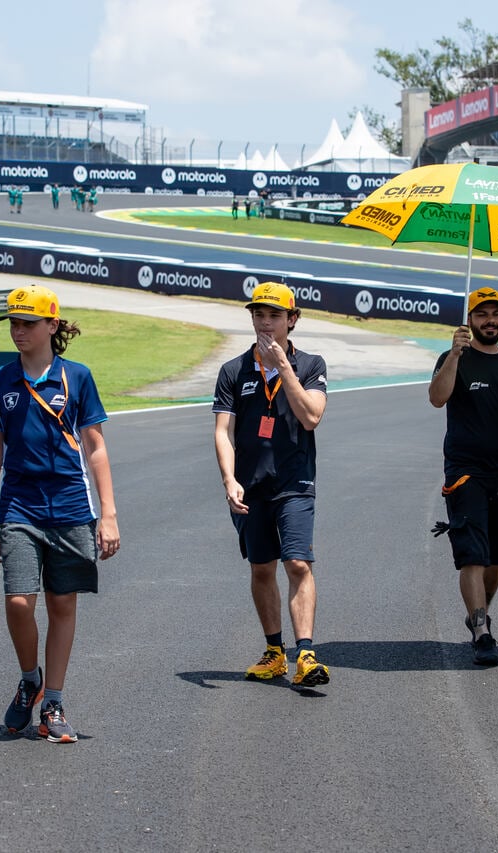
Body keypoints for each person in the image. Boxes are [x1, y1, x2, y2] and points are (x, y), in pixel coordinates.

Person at [0, 284, 120, 743]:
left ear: (51, 326)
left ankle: (53, 701)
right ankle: (29, 678)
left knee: (62, 603)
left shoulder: (77, 377)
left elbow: (96, 448)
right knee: (19, 601)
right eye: (13, 323)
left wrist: (109, 514)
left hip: (73, 507)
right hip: (19, 506)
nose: (18, 331)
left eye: (27, 323)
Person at [213, 281, 331, 688]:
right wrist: (229, 479)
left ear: (292, 320)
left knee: (297, 562)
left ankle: (307, 654)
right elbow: (222, 432)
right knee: (261, 568)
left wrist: (284, 367)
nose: (265, 322)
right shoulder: (233, 370)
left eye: (275, 316)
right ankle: (274, 652)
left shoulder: (311, 364)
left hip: (295, 481)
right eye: (259, 314)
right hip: (251, 486)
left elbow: (311, 417)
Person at [427, 287, 498, 666]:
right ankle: (481, 630)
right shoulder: (453, 357)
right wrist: (456, 355)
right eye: (482, 314)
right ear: (470, 319)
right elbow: (437, 397)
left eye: (495, 314)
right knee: (472, 555)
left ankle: (480, 611)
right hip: (464, 472)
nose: (490, 321)